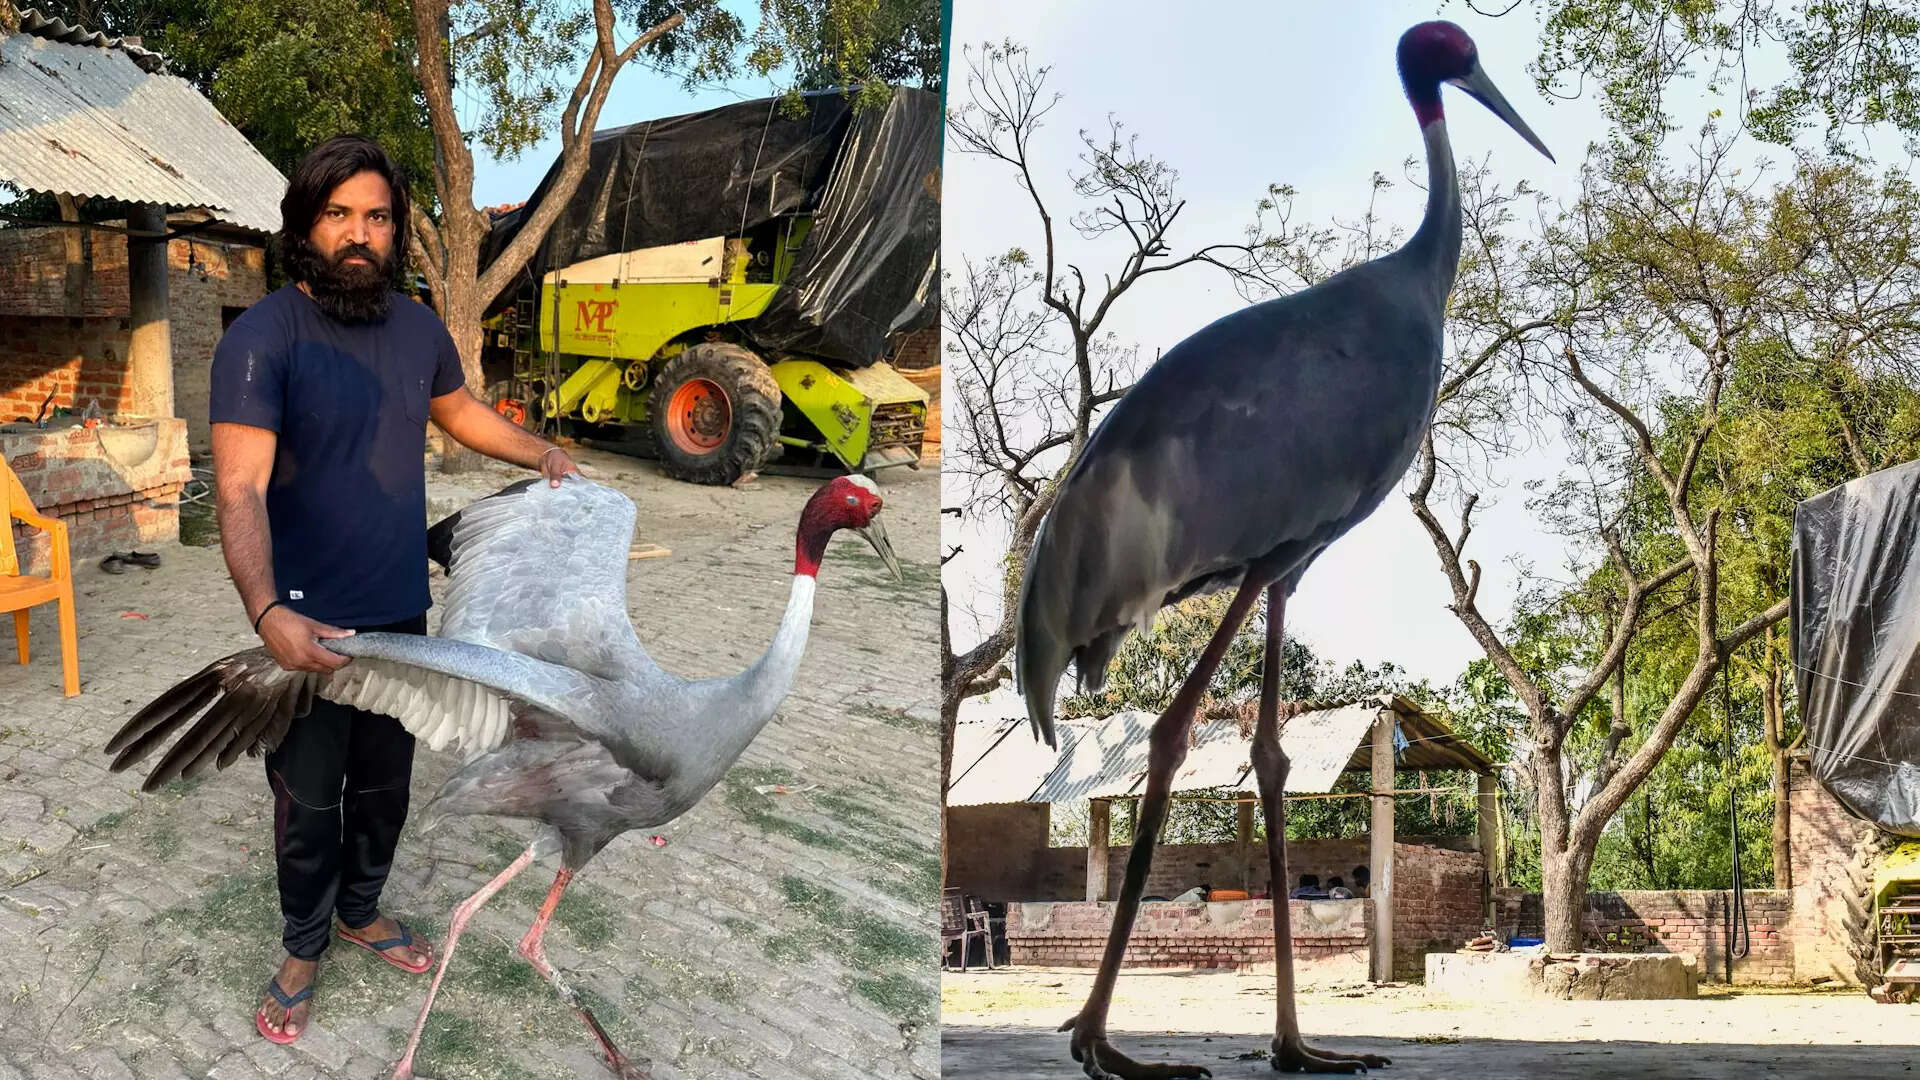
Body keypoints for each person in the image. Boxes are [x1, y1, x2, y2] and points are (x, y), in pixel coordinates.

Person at [209, 134, 581, 1044]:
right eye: (339, 215)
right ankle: (304, 942)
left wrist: (541, 452)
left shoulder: (418, 328)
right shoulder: (262, 340)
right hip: (307, 624)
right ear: (304, 226)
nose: (359, 234)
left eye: (376, 216)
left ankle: (361, 907)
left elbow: (459, 414)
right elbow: (238, 488)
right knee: (309, 798)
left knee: (385, 786)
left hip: (402, 618)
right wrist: (267, 614)